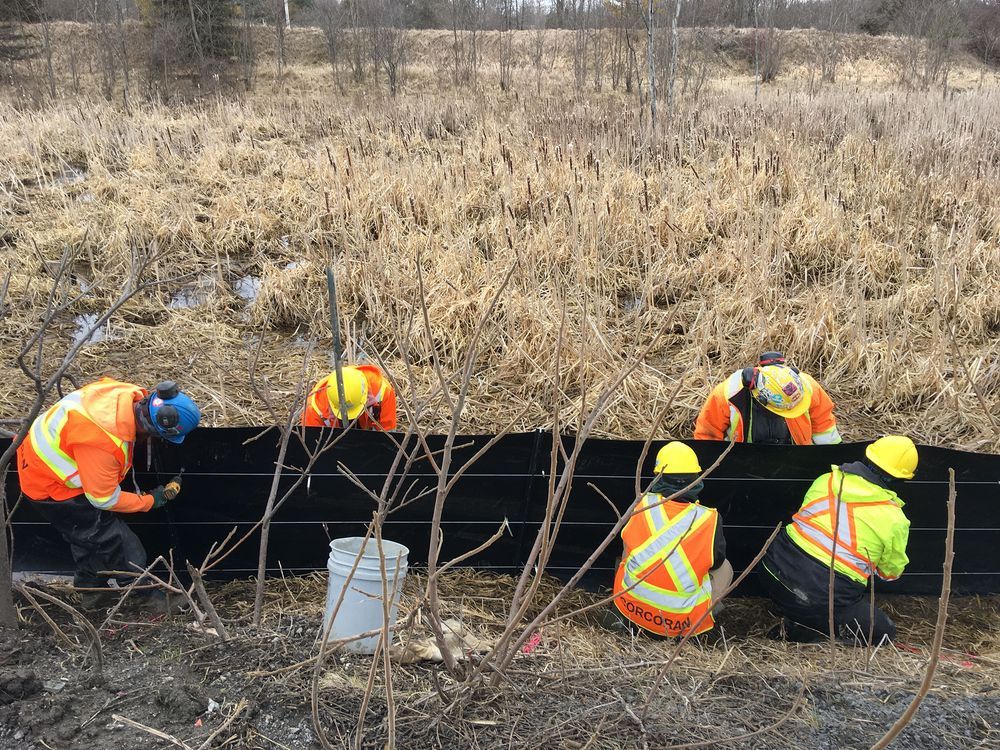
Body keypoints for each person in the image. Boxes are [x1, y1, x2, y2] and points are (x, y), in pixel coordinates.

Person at [17, 378, 200, 609]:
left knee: (88, 538)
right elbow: (103, 498)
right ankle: (145, 599)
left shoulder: (128, 394)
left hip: (45, 460)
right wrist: (150, 501)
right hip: (51, 487)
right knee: (119, 542)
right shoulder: (102, 442)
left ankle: (91, 593)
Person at [759, 435, 917, 645]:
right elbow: (889, 573)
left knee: (804, 596)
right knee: (882, 632)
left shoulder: (826, 480)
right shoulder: (895, 519)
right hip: (818, 597)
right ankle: (809, 633)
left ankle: (791, 610)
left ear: (868, 457)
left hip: (772, 570)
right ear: (902, 479)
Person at [612, 442, 732, 638]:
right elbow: (716, 562)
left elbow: (628, 551)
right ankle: (703, 620)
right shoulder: (708, 519)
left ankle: (620, 611)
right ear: (696, 479)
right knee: (725, 567)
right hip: (679, 623)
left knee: (627, 551)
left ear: (659, 477)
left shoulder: (641, 504)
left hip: (633, 611)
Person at [694, 352, 841, 445]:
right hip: (741, 463)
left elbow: (824, 428)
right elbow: (707, 437)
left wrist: (833, 458)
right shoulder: (728, 394)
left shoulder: (809, 387)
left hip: (796, 457)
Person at [303, 364, 396, 431]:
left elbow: (388, 436)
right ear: (330, 403)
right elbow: (313, 447)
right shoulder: (313, 409)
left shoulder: (383, 390)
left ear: (367, 395)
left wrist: (375, 410)